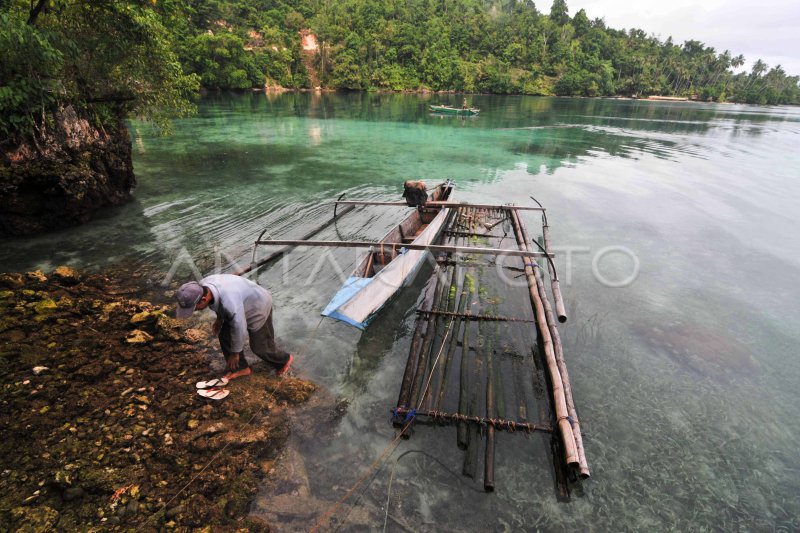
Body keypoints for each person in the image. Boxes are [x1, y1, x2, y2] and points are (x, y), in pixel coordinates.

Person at [175, 274, 293, 379]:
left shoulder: (230, 304)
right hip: (240, 301)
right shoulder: (202, 286)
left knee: (259, 347)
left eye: (194, 308)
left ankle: (283, 360)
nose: (194, 310)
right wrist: (219, 319)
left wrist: (235, 353)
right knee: (225, 336)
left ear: (203, 299)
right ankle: (241, 368)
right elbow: (216, 302)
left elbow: (239, 328)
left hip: (258, 304)